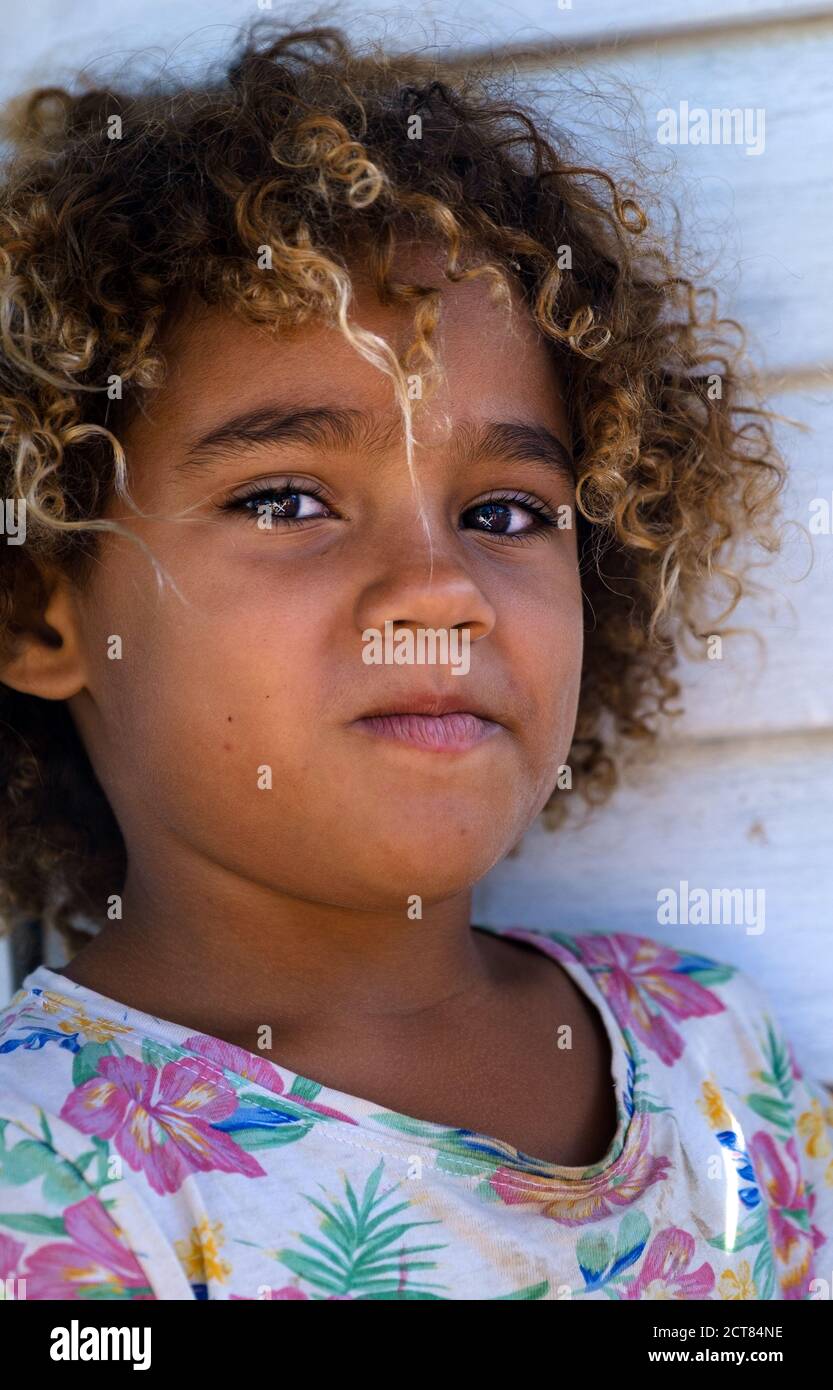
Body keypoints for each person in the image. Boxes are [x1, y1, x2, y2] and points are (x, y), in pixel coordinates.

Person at [0, 18, 830, 1301]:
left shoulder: (712, 1056)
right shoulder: (49, 1171)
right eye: (285, 500)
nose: (443, 589)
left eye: (503, 512)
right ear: (41, 616)